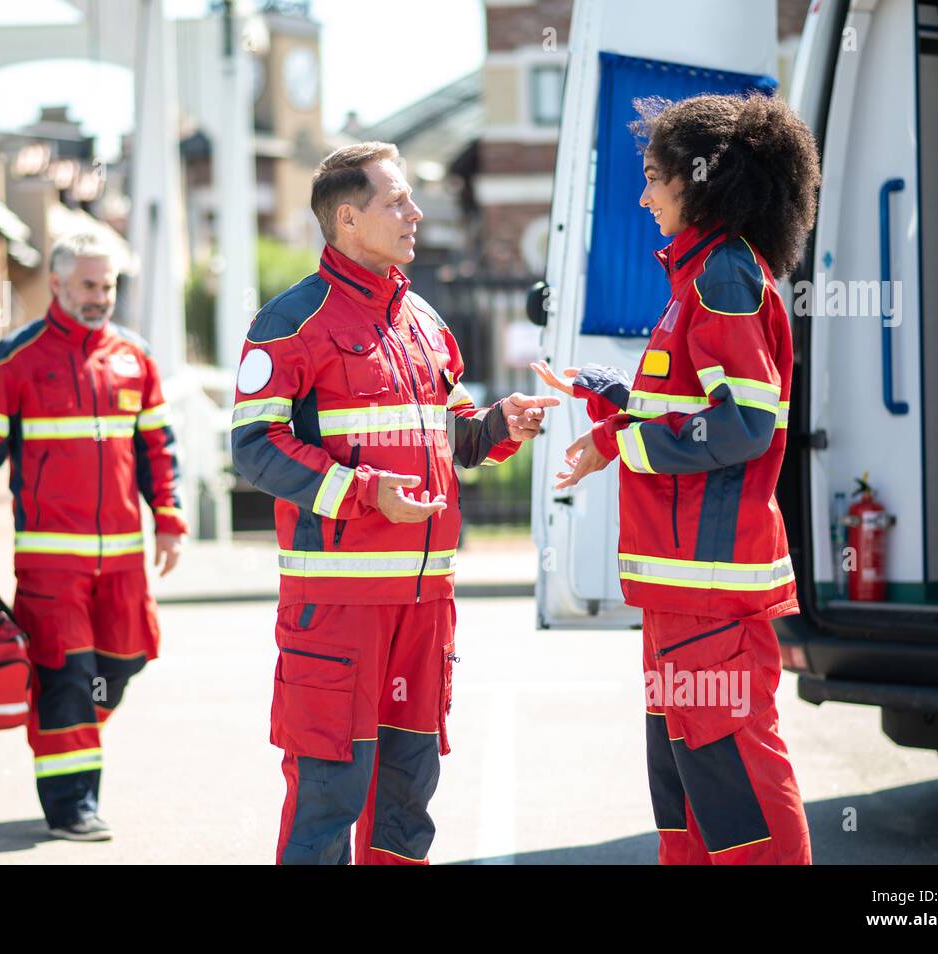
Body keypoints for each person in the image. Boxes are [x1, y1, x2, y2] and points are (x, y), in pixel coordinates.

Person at [231, 142, 557, 865]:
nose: (415, 213)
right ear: (348, 218)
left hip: (425, 606)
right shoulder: (289, 322)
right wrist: (362, 493)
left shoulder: (426, 324)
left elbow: (457, 438)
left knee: (409, 800)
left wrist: (505, 423)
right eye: (398, 200)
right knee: (328, 797)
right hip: (338, 608)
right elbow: (253, 448)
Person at [539, 92, 821, 865]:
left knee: (737, 779)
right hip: (683, 590)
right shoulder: (701, 276)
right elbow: (693, 410)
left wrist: (624, 447)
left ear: (703, 181)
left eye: (655, 176)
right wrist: (609, 421)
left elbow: (742, 427)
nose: (643, 194)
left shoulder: (721, 278)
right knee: (689, 780)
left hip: (710, 586)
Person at [0, 232, 187, 841]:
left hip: (124, 561)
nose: (101, 297)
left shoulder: (135, 356)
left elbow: (158, 449)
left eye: (108, 286)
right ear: (56, 284)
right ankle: (71, 804)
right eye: (88, 285)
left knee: (124, 663)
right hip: (52, 563)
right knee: (67, 676)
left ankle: (59, 728)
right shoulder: (16, 358)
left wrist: (170, 520)